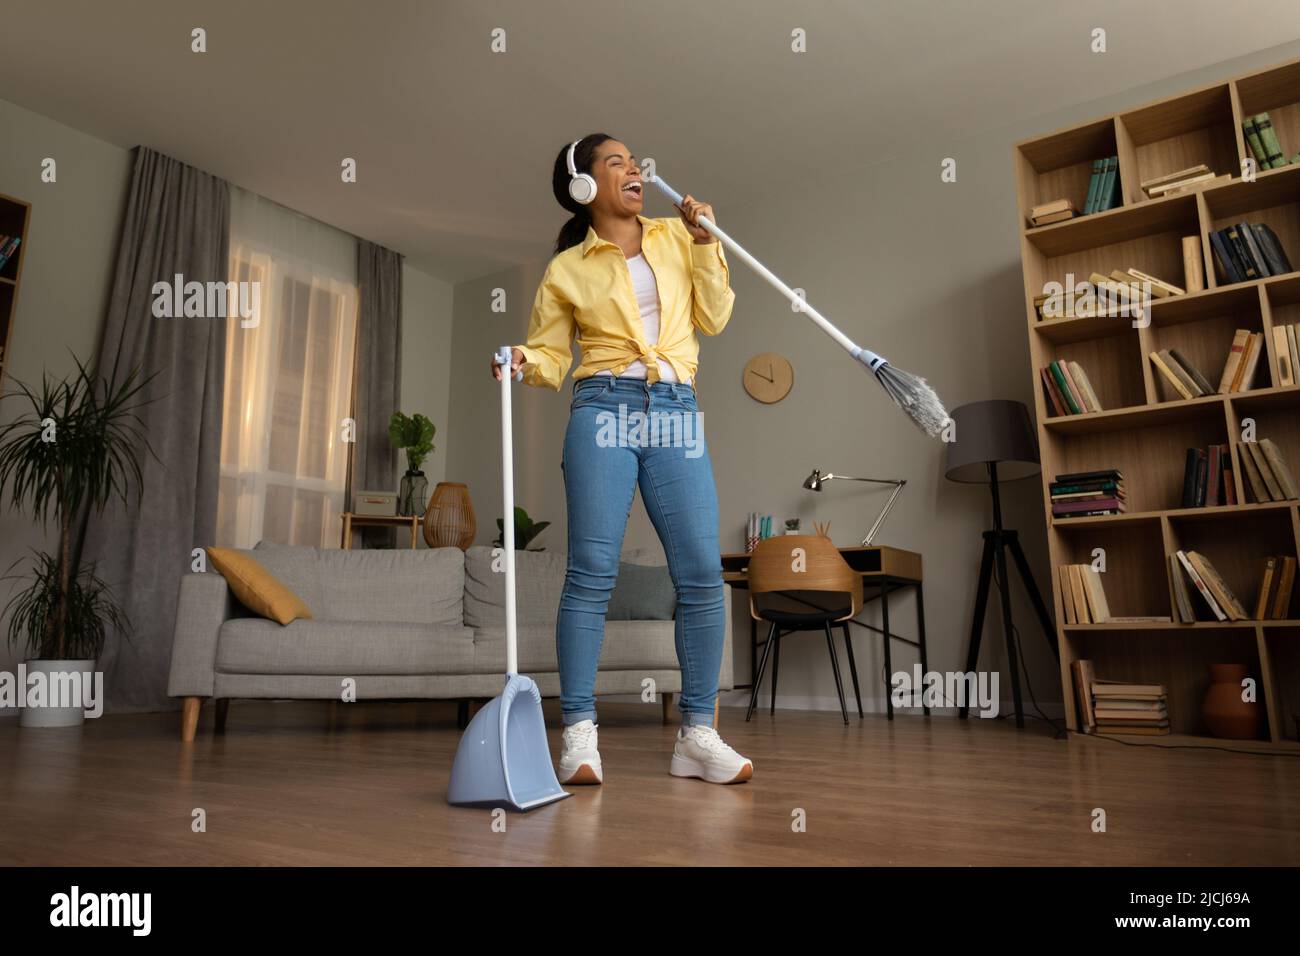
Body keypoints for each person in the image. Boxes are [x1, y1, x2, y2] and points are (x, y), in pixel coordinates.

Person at [489, 133, 752, 785]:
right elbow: (552, 356)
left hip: (676, 410)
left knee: (698, 574)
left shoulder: (674, 236)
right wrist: (525, 361)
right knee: (592, 574)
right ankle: (579, 737)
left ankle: (697, 736)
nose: (634, 168)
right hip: (601, 407)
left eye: (634, 160)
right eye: (616, 162)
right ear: (586, 188)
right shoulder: (567, 268)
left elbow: (715, 317)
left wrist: (706, 241)